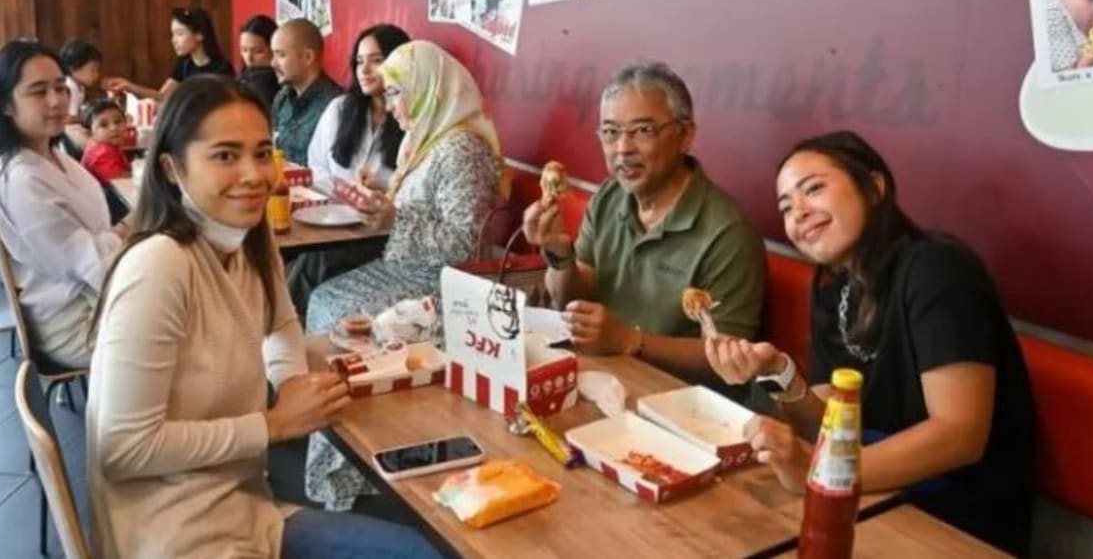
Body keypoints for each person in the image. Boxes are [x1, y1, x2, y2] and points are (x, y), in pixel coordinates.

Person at [85, 75, 440, 559]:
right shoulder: (160, 266)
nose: (255, 175)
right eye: (225, 156)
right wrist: (272, 425)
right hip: (175, 535)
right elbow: (123, 448)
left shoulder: (248, 237)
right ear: (171, 169)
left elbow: (280, 322)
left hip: (247, 512)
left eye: (261, 152)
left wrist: (292, 380)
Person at [708, 130, 1034, 556]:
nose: (798, 213)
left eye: (814, 189)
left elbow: (959, 435)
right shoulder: (835, 284)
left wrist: (816, 468)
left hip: (959, 516)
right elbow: (826, 420)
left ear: (874, 187)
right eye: (786, 207)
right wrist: (777, 375)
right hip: (874, 490)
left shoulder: (937, 269)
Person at [303, 41, 502, 511]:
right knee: (322, 298)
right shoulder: (424, 141)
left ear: (427, 90)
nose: (391, 107)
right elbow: (408, 217)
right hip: (405, 264)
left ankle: (362, 462)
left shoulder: (463, 149)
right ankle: (341, 445)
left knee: (342, 313)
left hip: (444, 283)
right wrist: (378, 211)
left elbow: (463, 246)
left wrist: (394, 218)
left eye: (397, 93)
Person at [521, 62, 765, 395]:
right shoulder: (610, 195)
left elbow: (729, 357)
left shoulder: (727, 232)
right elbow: (572, 301)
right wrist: (560, 255)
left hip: (678, 402)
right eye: (610, 132)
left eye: (642, 131)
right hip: (601, 380)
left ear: (686, 135)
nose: (623, 148)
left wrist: (630, 341)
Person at [0, 39, 132, 368]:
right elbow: (89, 261)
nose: (56, 100)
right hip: (76, 323)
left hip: (94, 296)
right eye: (38, 91)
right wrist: (131, 230)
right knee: (197, 328)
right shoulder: (19, 180)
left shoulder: (52, 156)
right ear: (5, 104)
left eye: (61, 88)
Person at [287, 24, 410, 316]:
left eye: (376, 60)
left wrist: (380, 192)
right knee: (310, 260)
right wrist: (344, 192)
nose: (364, 70)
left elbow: (413, 191)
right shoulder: (341, 109)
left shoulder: (410, 119)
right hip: (333, 222)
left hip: (382, 232)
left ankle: (290, 330)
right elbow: (316, 165)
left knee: (315, 263)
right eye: (359, 61)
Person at [105, 6, 234, 102]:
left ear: (200, 35)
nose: (174, 40)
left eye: (180, 34)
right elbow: (162, 96)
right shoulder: (184, 63)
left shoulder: (221, 68)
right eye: (173, 34)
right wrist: (129, 86)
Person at [270, 18, 343, 165]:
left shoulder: (336, 105)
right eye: (273, 55)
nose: (273, 63)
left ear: (308, 57)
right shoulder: (282, 97)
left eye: (281, 55)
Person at [58, 39, 106, 150]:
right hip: (67, 129)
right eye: (93, 70)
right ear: (73, 69)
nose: (97, 75)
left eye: (98, 70)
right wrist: (86, 118)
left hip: (74, 126)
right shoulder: (69, 86)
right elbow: (67, 119)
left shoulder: (80, 87)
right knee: (95, 144)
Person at [80, 98, 131, 182]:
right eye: (103, 125)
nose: (113, 128)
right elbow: (120, 180)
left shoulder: (106, 145)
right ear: (90, 132)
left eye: (118, 121)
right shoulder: (100, 154)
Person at [237, 14, 281, 108]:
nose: (248, 58)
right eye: (244, 50)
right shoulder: (245, 75)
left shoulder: (267, 85)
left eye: (257, 51)